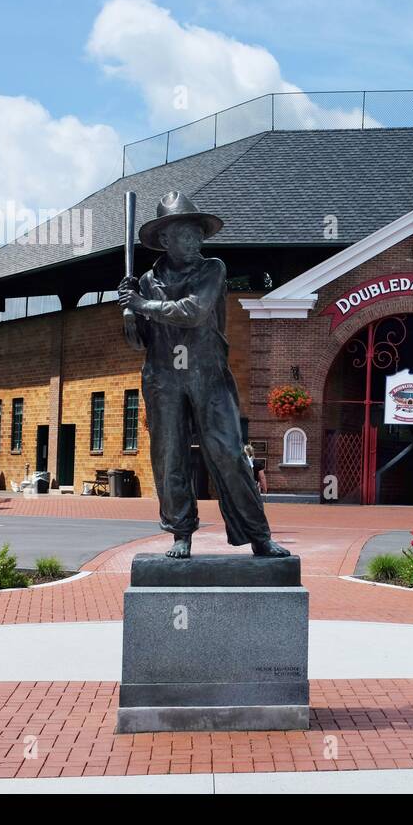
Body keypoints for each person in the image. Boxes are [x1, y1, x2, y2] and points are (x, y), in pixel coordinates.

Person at [119, 191, 290, 559]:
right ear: (165, 239)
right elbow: (139, 343)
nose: (196, 241)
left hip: (208, 375)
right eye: (186, 234)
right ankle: (181, 532)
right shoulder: (147, 281)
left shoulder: (212, 269)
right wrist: (130, 317)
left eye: (198, 234)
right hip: (164, 377)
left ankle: (257, 534)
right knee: (170, 456)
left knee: (228, 452)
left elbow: (193, 311)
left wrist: (142, 305)